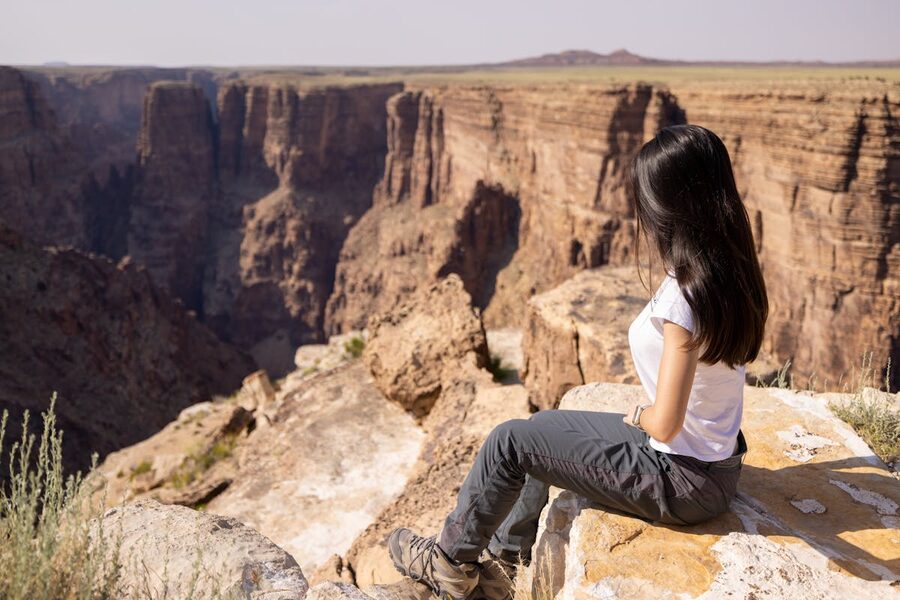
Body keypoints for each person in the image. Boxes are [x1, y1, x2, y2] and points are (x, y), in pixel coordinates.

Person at [386, 124, 769, 600]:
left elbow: (665, 425)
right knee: (543, 428)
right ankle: (506, 567)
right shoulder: (728, 272)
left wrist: (641, 416)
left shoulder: (684, 300)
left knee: (508, 442)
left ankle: (449, 563)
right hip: (713, 465)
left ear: (666, 208)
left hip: (682, 479)